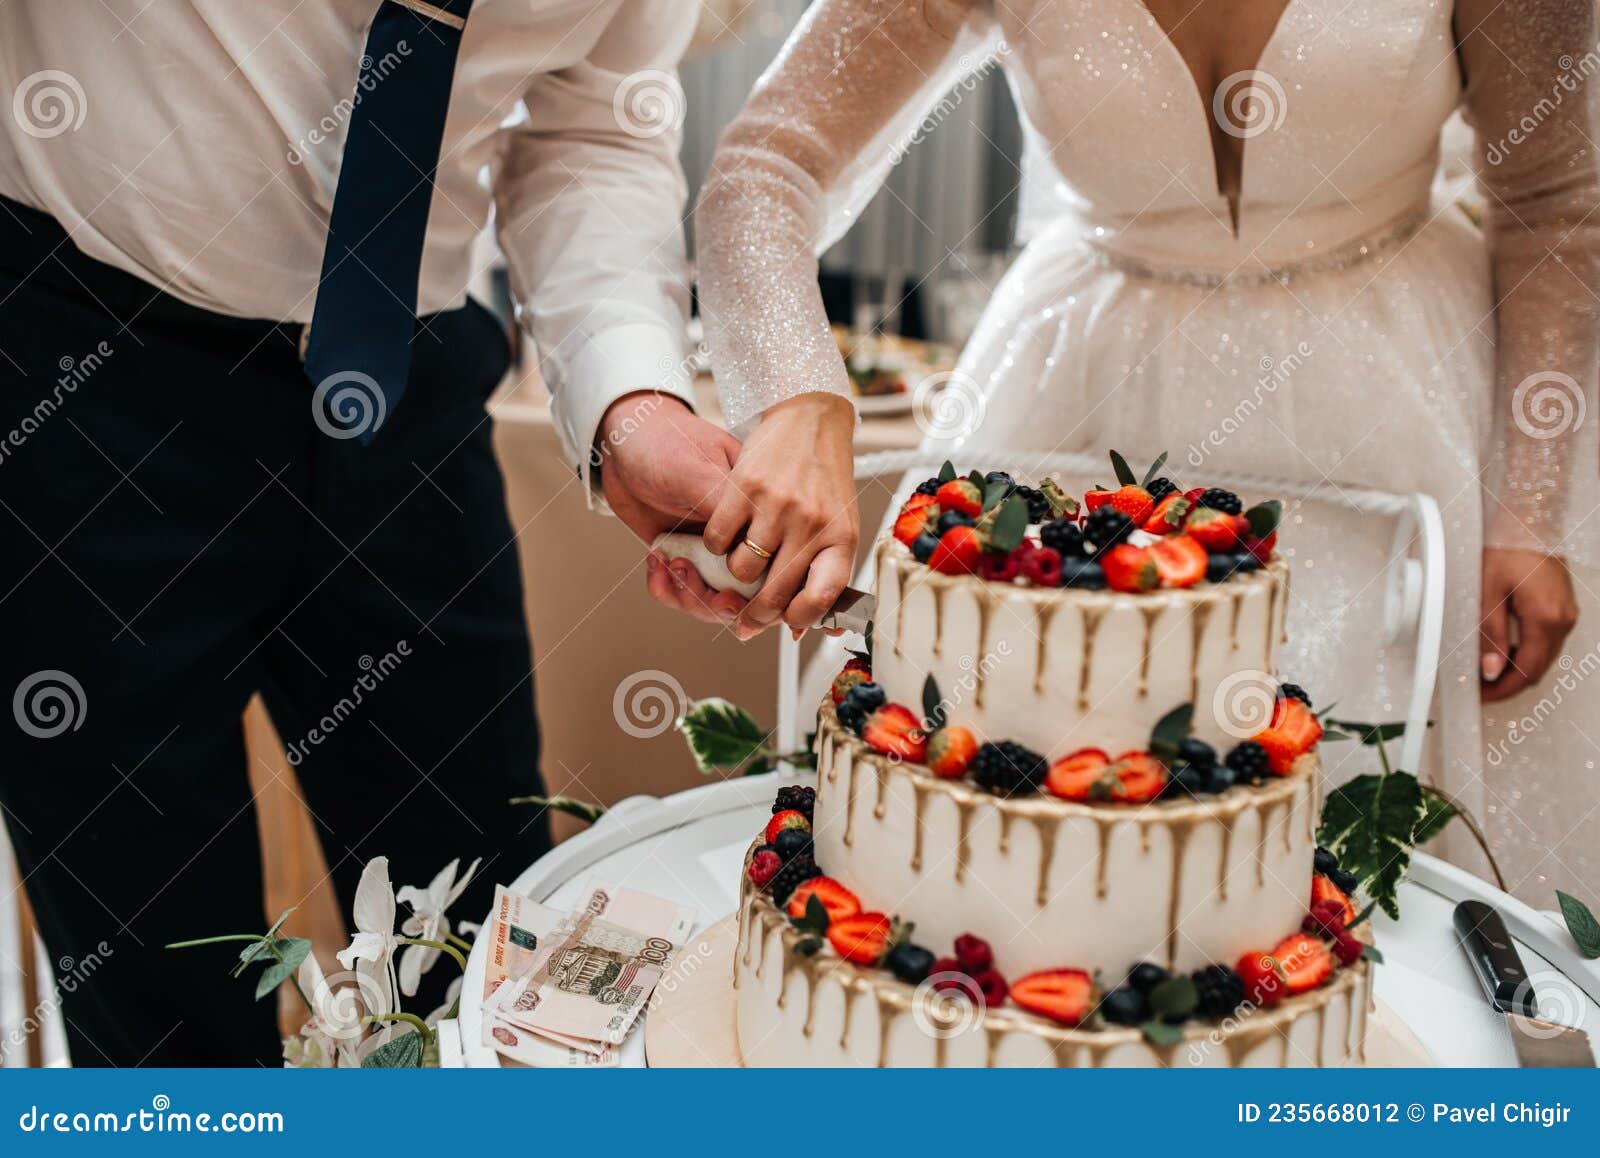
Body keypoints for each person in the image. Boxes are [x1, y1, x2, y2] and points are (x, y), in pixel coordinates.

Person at [690, 0, 1600, 901]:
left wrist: (1530, 503)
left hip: (1407, 401)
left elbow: (1555, 199)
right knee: (1005, 866)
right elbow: (766, 166)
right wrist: (799, 399)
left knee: (1358, 903)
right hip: (1077, 402)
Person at [0, 0, 724, 1066]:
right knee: (156, 998)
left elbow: (593, 132)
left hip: (411, 394)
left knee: (487, 950)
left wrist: (633, 397)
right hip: (89, 380)